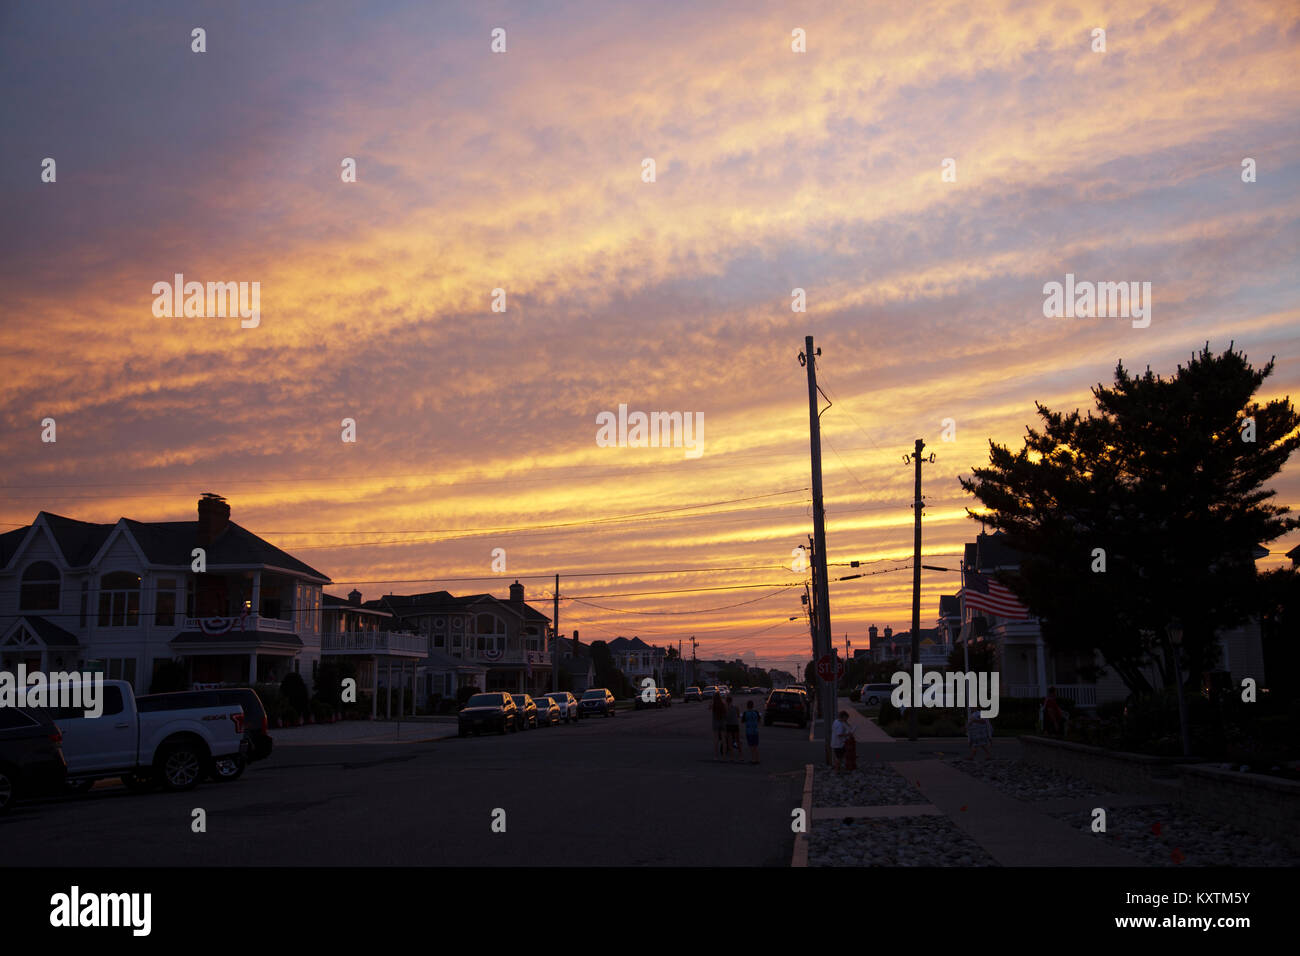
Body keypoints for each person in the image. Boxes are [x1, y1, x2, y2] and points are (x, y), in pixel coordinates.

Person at [742, 699, 761, 764]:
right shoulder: (756, 712)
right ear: (753, 706)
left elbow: (742, 721)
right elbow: (759, 721)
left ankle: (753, 759)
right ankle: (757, 759)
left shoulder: (745, 713)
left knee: (751, 746)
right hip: (755, 731)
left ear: (747, 706)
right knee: (755, 746)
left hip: (749, 731)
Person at [724, 695, 742, 761]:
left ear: (726, 701)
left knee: (729, 741)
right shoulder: (736, 707)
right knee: (737, 740)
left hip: (728, 725)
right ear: (732, 700)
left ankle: (731, 756)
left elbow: (724, 717)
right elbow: (738, 715)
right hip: (735, 725)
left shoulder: (725, 708)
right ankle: (741, 755)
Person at [710, 691, 727, 759]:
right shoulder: (723, 704)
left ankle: (716, 756)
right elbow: (726, 712)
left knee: (716, 739)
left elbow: (709, 707)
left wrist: (712, 700)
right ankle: (724, 756)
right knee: (723, 739)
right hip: (722, 722)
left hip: (715, 722)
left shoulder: (714, 704)